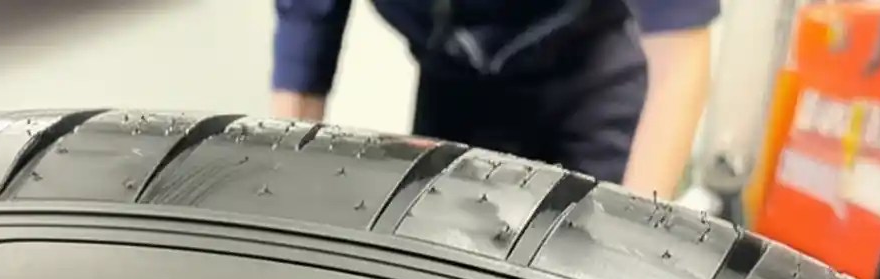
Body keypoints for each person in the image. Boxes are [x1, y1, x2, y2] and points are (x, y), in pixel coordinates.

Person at [272, 0, 717, 198]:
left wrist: (637, 234)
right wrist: (283, 193)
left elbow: (679, 62)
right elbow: (306, 43)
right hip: (453, 81)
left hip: (589, 82)